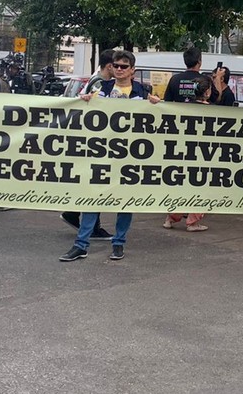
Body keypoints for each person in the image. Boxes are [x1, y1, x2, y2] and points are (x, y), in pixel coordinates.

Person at [59, 50, 161, 262]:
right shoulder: (102, 89)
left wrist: (156, 106)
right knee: (92, 197)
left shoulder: (142, 93)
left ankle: (118, 243)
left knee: (124, 201)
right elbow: (89, 112)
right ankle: (81, 244)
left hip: (129, 157)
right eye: (116, 65)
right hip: (102, 154)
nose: (119, 69)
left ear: (132, 70)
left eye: (124, 66)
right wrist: (84, 101)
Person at [165, 77, 213, 232]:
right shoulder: (213, 110)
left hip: (184, 152)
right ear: (207, 92)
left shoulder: (183, 107)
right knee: (201, 187)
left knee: (182, 185)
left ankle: (171, 219)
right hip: (203, 154)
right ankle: (193, 222)